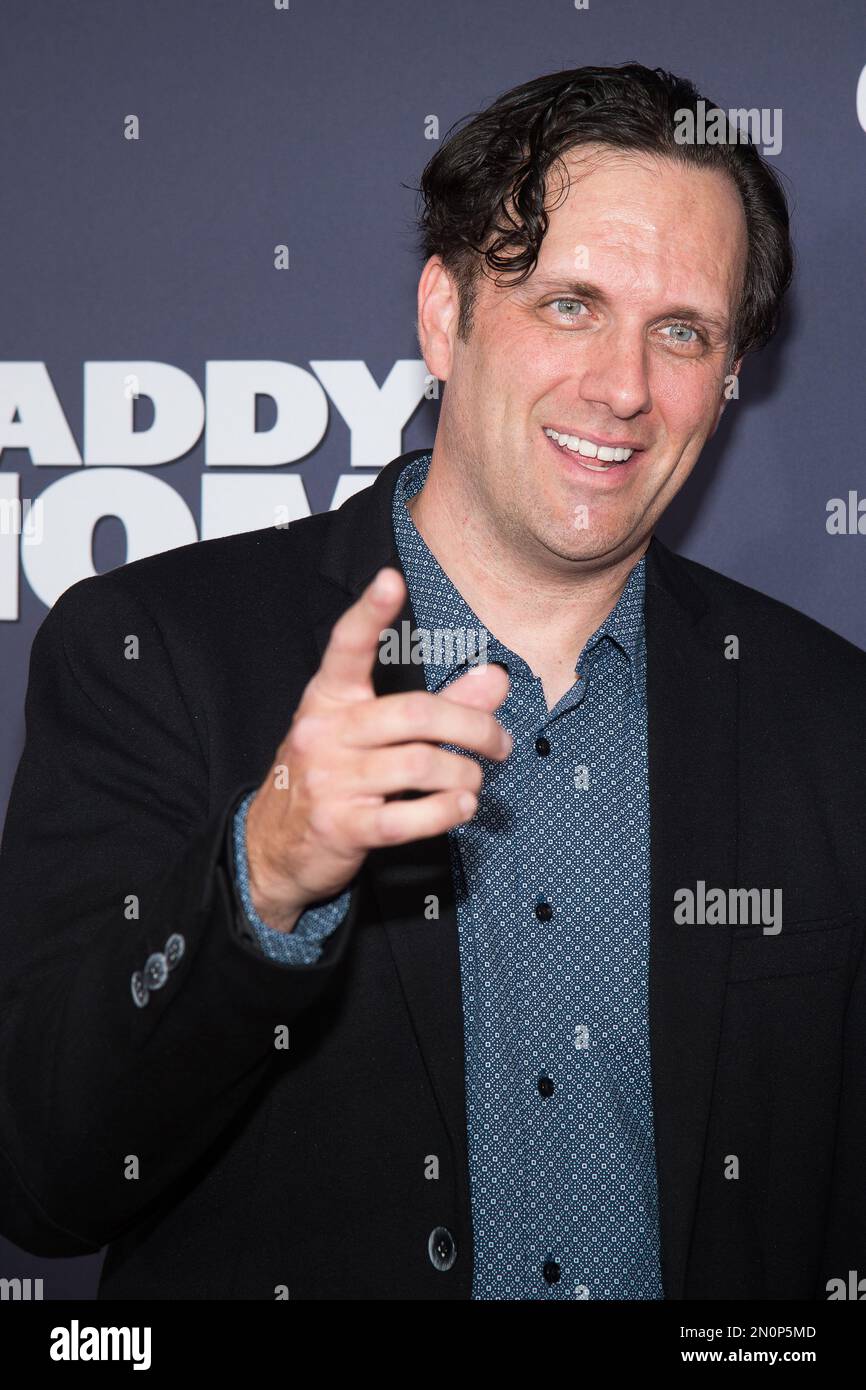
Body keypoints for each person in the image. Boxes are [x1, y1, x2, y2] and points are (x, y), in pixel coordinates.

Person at [0, 63, 863, 1301]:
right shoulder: (155, 655)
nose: (622, 386)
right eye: (569, 304)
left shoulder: (829, 724)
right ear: (442, 317)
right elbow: (42, 1174)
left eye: (681, 332)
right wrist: (263, 878)